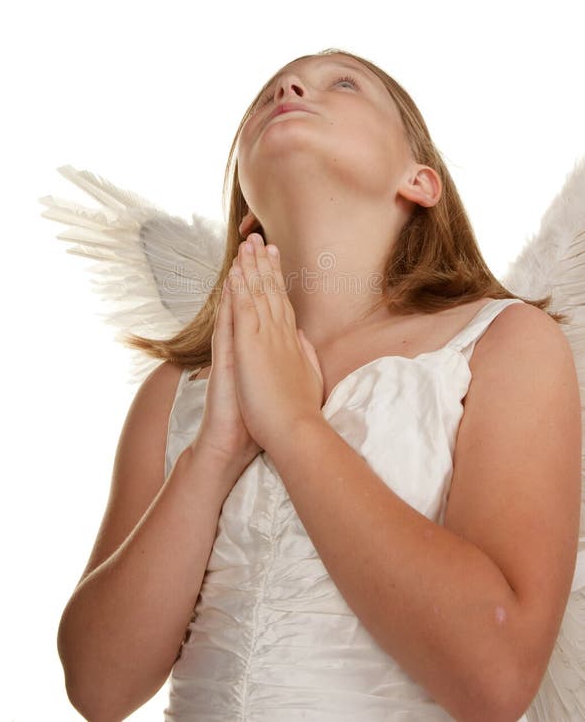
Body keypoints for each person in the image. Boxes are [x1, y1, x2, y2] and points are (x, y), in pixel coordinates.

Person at [56, 49, 582, 721]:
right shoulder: (175, 390)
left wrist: (295, 428)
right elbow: (98, 689)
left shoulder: (505, 345)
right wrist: (214, 452)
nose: (291, 86)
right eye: (270, 92)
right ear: (247, 211)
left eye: (344, 83)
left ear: (419, 182)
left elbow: (496, 678)